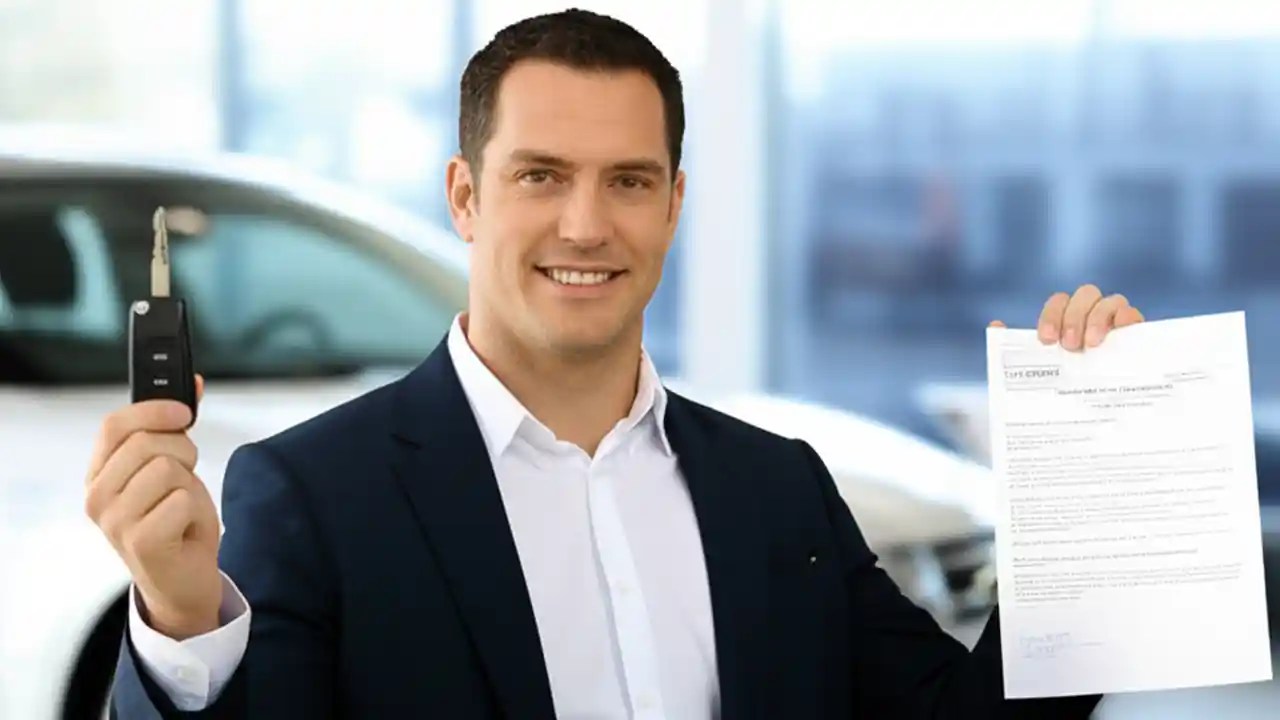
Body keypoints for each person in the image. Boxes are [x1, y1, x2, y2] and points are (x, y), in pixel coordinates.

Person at [85, 9, 1146, 719]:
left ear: (673, 203)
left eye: (629, 182)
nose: (586, 226)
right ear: (465, 195)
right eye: (541, 175)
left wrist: (1089, 498)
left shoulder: (778, 489)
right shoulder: (312, 492)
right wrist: (181, 620)